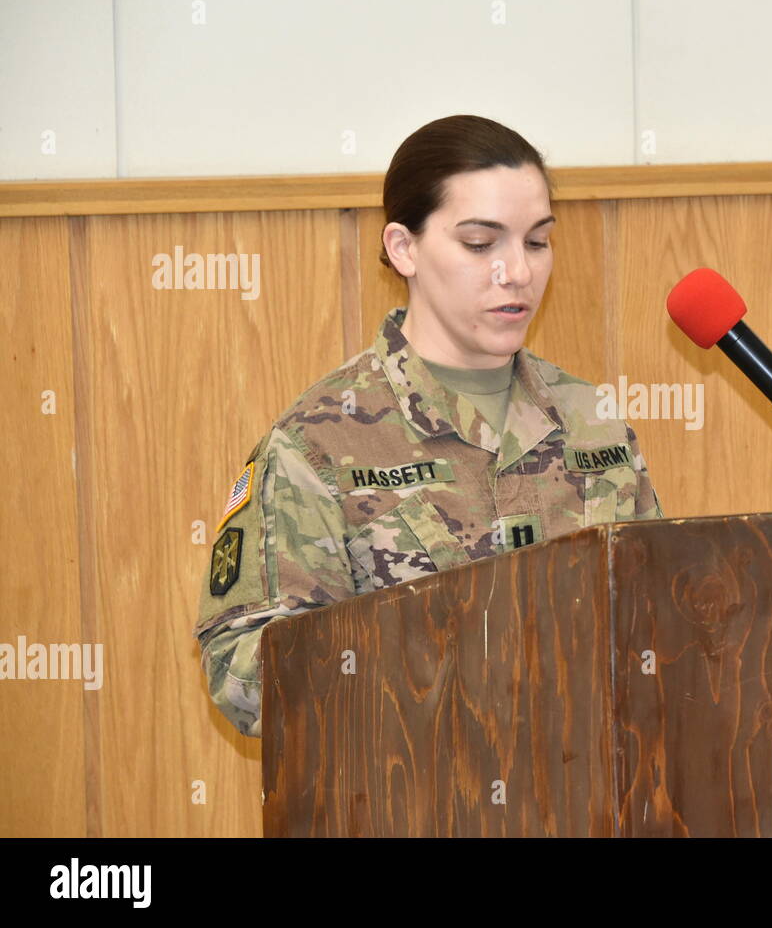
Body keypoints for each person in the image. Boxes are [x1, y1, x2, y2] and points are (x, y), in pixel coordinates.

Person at [193, 115, 664, 738]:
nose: (517, 271)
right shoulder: (321, 441)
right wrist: (432, 652)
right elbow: (243, 676)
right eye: (480, 244)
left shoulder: (591, 421)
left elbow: (661, 618)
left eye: (536, 241)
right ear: (403, 248)